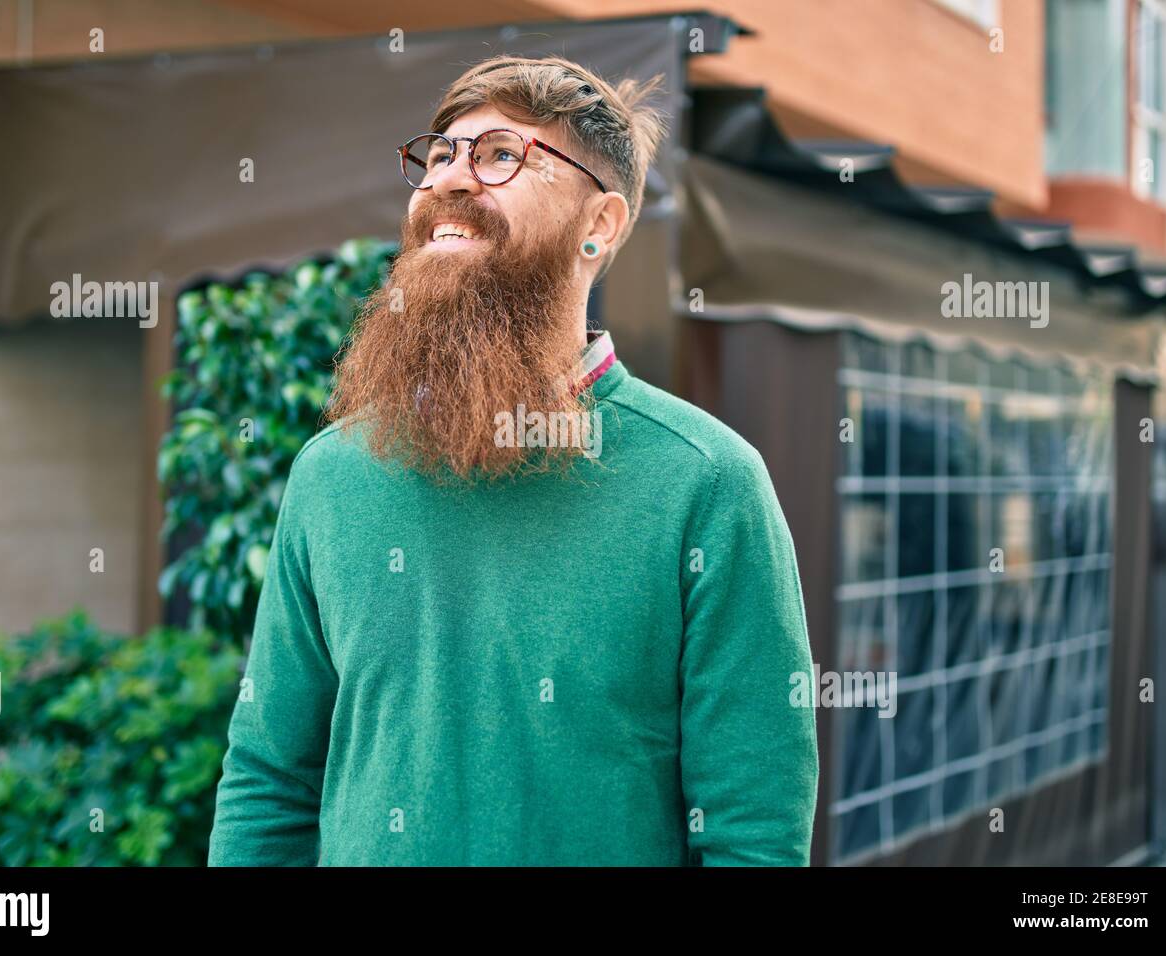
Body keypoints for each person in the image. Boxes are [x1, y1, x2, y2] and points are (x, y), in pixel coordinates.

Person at [207, 54, 818, 866]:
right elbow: (268, 780)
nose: (452, 180)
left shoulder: (707, 483)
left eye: (501, 155)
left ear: (599, 224)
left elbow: (755, 831)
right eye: (439, 156)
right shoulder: (330, 475)